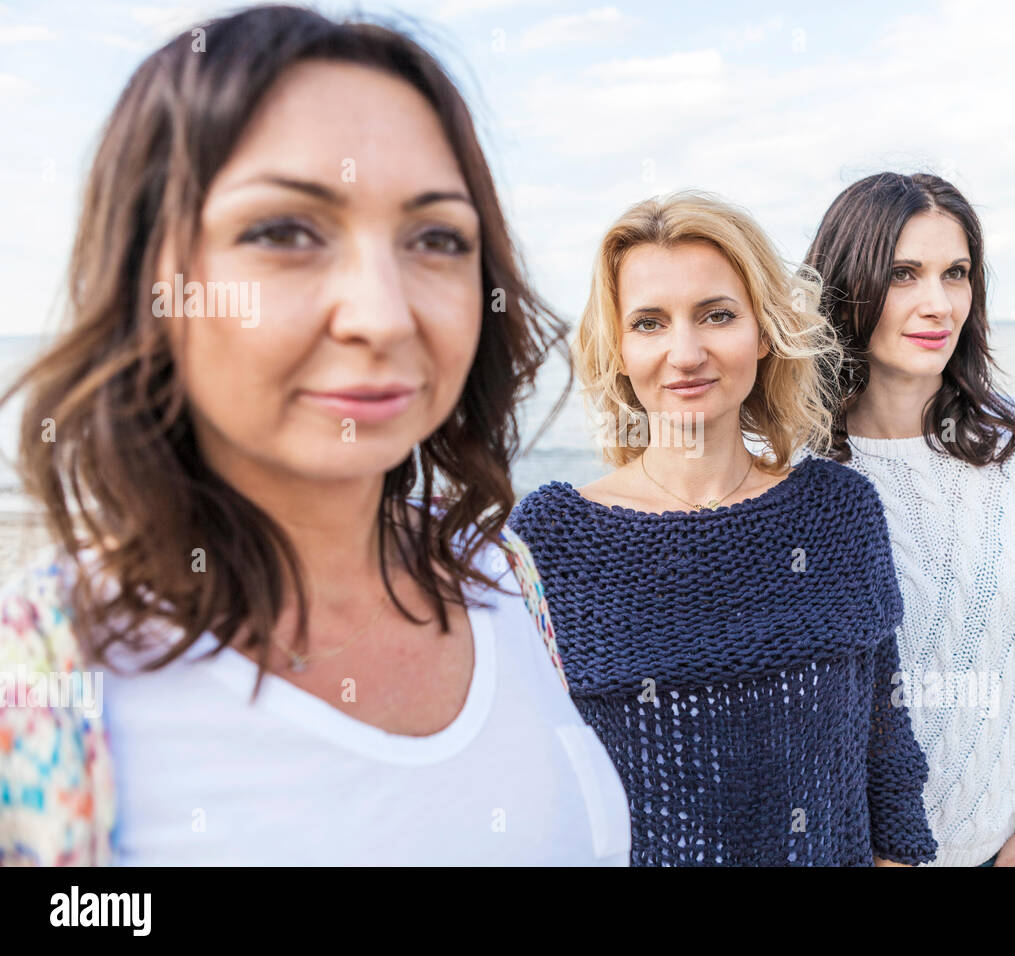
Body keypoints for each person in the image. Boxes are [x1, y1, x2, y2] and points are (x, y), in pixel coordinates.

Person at [0, 6, 629, 866]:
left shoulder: (504, 575)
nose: (382, 313)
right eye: (283, 232)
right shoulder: (40, 682)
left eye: (437, 238)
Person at [507, 190, 938, 866]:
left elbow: (886, 744)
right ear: (617, 348)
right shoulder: (554, 539)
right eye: (649, 322)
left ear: (762, 332)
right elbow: (529, 776)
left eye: (717, 315)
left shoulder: (838, 512)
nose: (685, 352)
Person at [802, 172, 1015, 866]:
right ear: (847, 284)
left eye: (956, 274)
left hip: (998, 846)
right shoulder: (788, 465)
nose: (937, 304)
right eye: (903, 274)